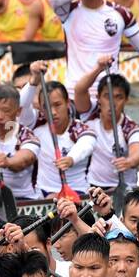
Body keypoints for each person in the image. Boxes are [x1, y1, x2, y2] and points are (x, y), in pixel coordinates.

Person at [19, 62, 87, 197]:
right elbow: (22, 105)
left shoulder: (80, 129)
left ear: (68, 103)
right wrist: (33, 81)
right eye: (47, 107)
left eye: (57, 105)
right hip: (43, 193)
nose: (53, 112)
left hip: (77, 192)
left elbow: (87, 144)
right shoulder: (35, 124)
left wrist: (71, 159)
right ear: (40, 108)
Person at [71, 74, 139, 196]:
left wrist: (129, 161)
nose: (112, 103)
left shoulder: (131, 128)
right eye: (107, 96)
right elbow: (79, 90)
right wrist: (99, 67)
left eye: (118, 97)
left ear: (126, 100)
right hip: (93, 187)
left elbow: (138, 152)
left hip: (123, 190)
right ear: (98, 98)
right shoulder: (89, 120)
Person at [0, 82, 41, 201]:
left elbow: (26, 158)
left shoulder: (26, 134)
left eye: (6, 110)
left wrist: (8, 162)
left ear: (18, 111)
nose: (0, 116)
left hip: (24, 199)